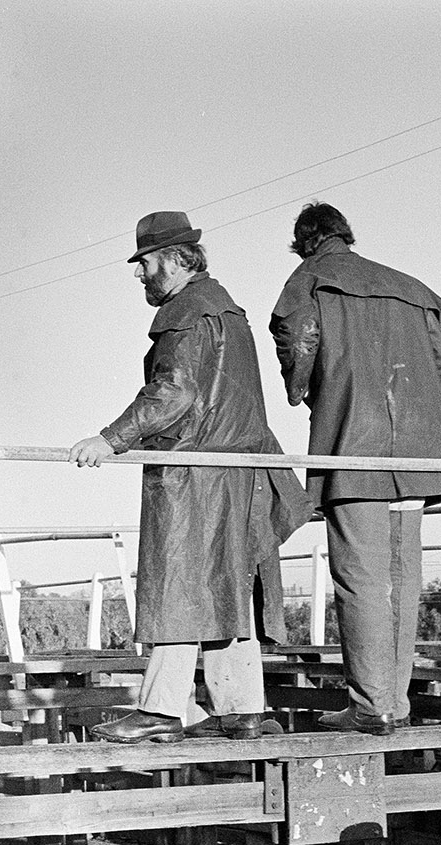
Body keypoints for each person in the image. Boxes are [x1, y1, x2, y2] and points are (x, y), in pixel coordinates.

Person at [70, 211, 311, 743]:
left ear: (178, 260)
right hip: (240, 471)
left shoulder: (185, 311)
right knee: (229, 589)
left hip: (196, 472)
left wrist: (109, 438)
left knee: (179, 586)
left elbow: (173, 392)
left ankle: (159, 711)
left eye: (146, 262)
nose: (140, 274)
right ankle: (244, 709)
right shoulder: (226, 309)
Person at [270, 203, 441, 735]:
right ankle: (392, 700)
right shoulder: (410, 287)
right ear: (347, 235)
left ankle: (371, 703)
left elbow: (297, 342)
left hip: (354, 451)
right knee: (402, 578)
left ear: (305, 242)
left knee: (360, 576)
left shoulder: (309, 278)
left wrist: (304, 389)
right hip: (415, 455)